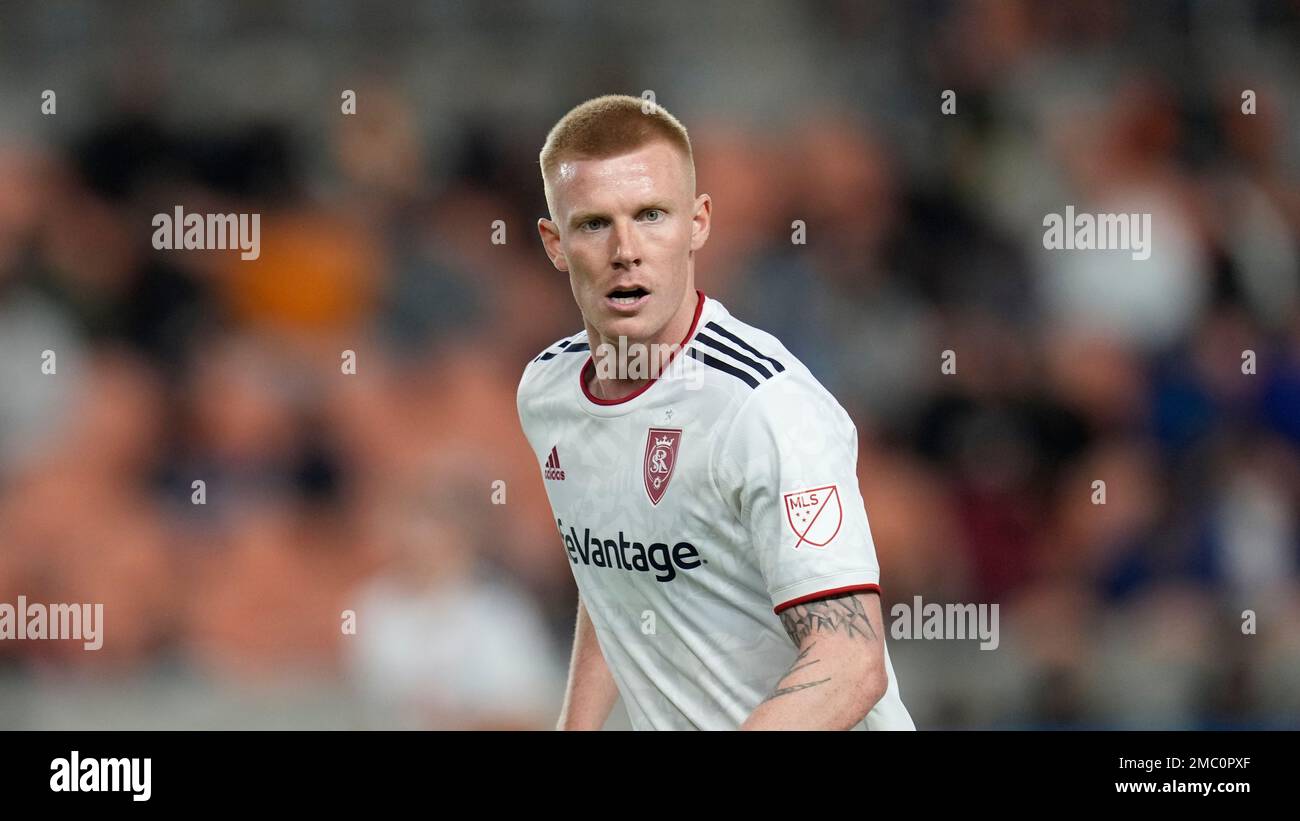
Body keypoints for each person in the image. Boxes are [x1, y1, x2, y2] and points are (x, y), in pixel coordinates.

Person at [517, 94, 914, 730]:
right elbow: (617, 575)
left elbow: (850, 663)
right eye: (593, 224)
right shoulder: (549, 392)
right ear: (554, 243)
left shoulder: (765, 408)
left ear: (698, 222)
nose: (626, 250)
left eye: (651, 215)